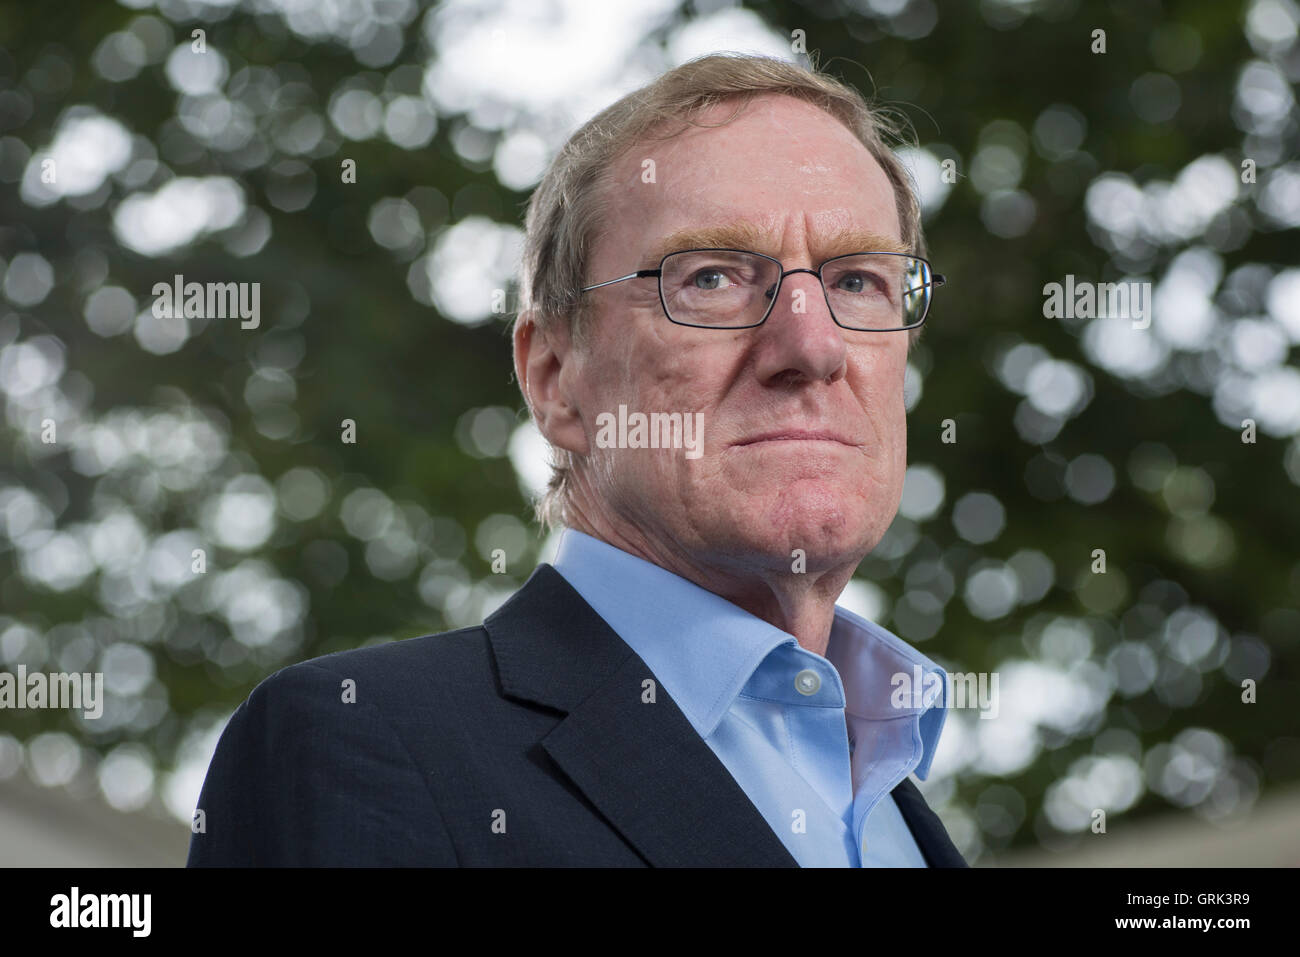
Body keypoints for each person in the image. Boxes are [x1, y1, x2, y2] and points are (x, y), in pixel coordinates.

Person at [187, 52, 964, 867]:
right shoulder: (360, 741)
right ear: (555, 380)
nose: (813, 345)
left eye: (858, 281)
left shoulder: (905, 817)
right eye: (710, 278)